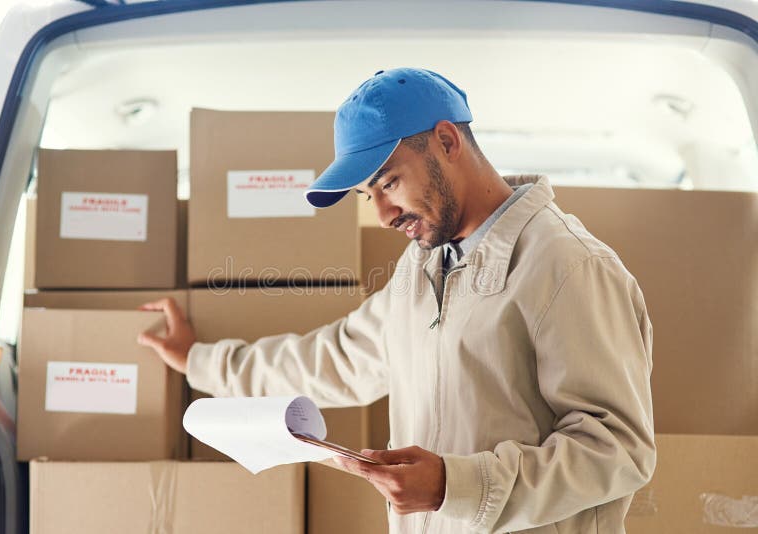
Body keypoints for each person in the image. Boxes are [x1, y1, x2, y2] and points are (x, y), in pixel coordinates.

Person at [138, 68, 656, 533]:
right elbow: (340, 356)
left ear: (447, 141)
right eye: (369, 196)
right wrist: (200, 361)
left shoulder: (567, 265)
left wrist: (454, 485)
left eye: (389, 183)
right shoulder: (425, 264)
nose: (384, 215)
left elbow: (618, 449)